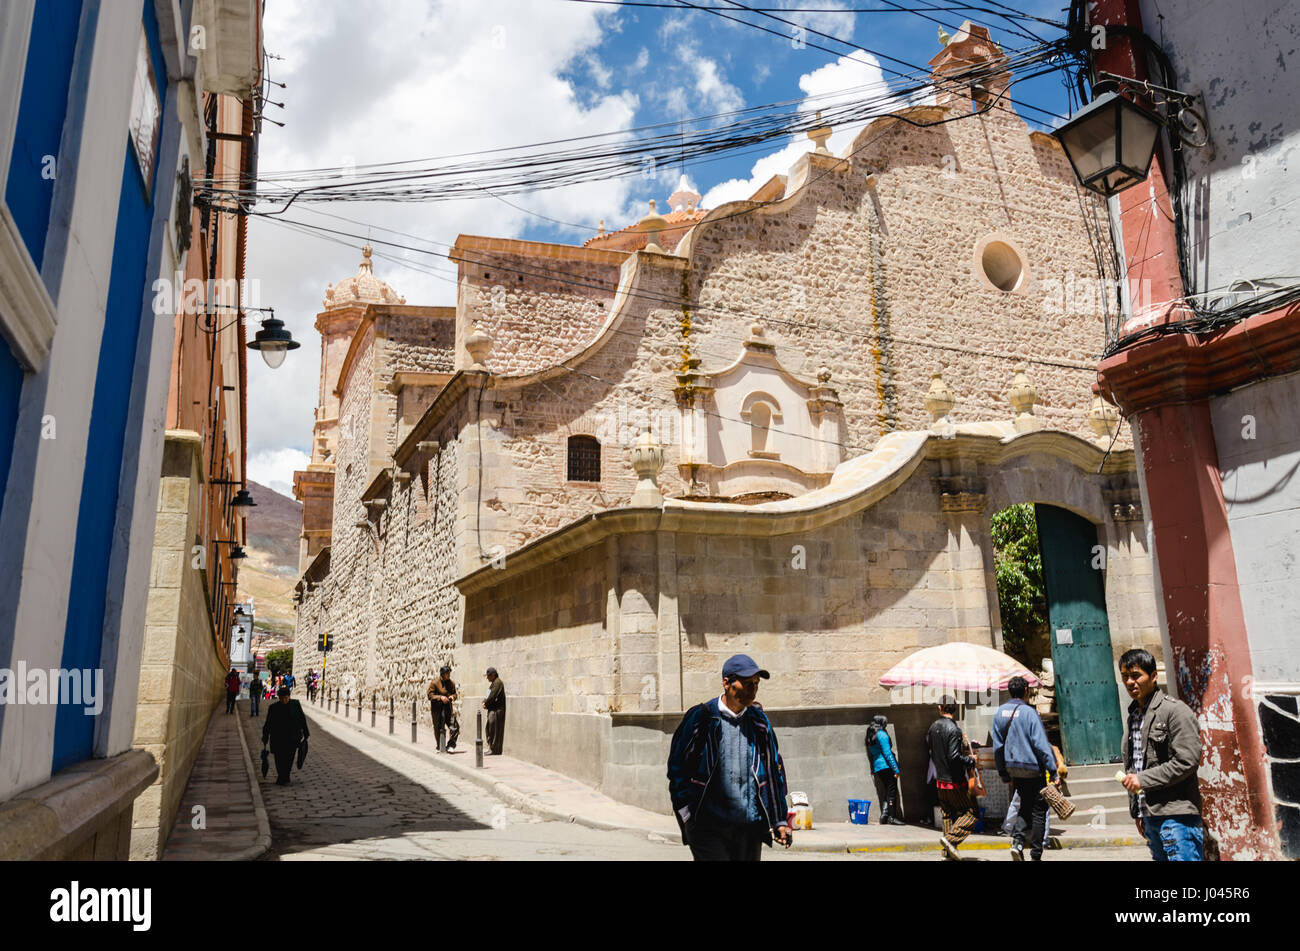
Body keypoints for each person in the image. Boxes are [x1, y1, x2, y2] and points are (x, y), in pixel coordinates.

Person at [666, 654, 793, 861]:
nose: (753, 689)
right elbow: (677, 767)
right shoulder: (703, 718)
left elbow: (772, 772)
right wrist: (687, 814)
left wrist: (779, 820)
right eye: (746, 683)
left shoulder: (759, 723)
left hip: (749, 827)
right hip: (708, 826)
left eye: (756, 684)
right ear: (726, 683)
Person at [1119, 648, 1204, 861]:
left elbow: (1187, 761)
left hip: (1176, 816)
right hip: (1150, 816)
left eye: (1136, 675)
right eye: (1125, 677)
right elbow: (1135, 765)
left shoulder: (1175, 712)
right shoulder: (1133, 716)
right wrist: (1137, 811)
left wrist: (1142, 780)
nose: (1130, 682)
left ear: (1154, 676)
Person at [992, 676, 1059, 861]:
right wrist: (1052, 770)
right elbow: (1040, 744)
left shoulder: (999, 713)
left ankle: (1018, 843)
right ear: (1026, 692)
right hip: (1033, 769)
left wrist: (1002, 772)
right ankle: (1036, 854)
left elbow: (998, 747)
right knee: (1039, 810)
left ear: (1010, 691)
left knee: (1024, 805)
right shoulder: (1030, 713)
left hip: (1013, 769)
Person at [926, 695, 978, 860]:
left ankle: (947, 853)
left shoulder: (933, 727)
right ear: (954, 709)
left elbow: (935, 752)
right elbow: (954, 757)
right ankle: (949, 840)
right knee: (971, 813)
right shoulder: (954, 730)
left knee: (947, 814)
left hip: (940, 779)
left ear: (940, 708)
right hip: (954, 781)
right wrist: (971, 760)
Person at [262, 685, 309, 786]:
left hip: (292, 737)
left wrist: (306, 732)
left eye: (286, 698)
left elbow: (302, 718)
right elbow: (268, 723)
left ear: (289, 696)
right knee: (279, 759)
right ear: (279, 697)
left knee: (289, 758)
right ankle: (281, 776)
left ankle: (285, 776)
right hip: (278, 738)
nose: (284, 700)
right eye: (282, 698)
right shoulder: (273, 708)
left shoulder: (295, 705)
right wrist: (265, 736)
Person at [865, 714, 903, 825]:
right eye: (885, 723)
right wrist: (896, 769)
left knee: (887, 791)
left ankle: (884, 815)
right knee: (892, 791)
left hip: (878, 767)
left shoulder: (871, 734)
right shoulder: (882, 734)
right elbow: (887, 753)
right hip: (887, 766)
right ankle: (892, 817)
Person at [427, 665, 459, 751]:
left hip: (448, 708)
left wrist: (453, 696)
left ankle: (451, 745)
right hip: (437, 709)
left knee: (455, 726)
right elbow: (430, 696)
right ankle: (440, 746)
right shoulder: (434, 683)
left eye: (449, 673)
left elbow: (455, 694)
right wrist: (440, 697)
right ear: (442, 674)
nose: (448, 675)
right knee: (438, 728)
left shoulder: (451, 683)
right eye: (447, 673)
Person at [483, 668, 506, 755]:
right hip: (492, 709)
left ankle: (494, 749)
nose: (487, 678)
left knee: (493, 728)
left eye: (488, 676)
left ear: (493, 675)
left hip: (496, 710)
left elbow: (492, 696)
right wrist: (484, 701)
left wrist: (486, 703)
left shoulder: (498, 683)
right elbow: (488, 694)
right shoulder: (493, 684)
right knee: (489, 727)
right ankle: (491, 747)